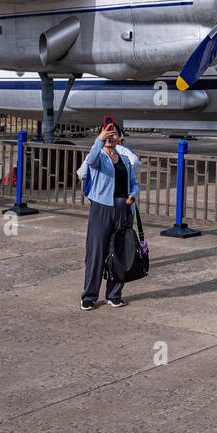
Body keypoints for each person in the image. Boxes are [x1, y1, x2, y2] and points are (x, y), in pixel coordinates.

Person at [76, 122, 140, 311]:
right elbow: (90, 161)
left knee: (120, 252)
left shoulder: (125, 160)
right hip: (102, 209)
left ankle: (114, 294)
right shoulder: (98, 158)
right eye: (107, 134)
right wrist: (99, 140)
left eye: (114, 134)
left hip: (123, 209)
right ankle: (89, 296)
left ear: (120, 138)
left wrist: (133, 194)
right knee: (96, 253)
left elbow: (134, 183)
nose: (111, 137)